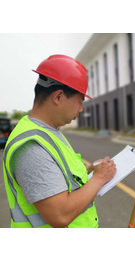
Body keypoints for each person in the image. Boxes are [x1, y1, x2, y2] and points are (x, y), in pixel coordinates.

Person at [3, 54, 117, 228]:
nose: (80, 110)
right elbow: (60, 215)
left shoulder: (47, 130)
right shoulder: (31, 146)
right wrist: (99, 178)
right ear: (58, 97)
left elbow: (59, 174)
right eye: (79, 102)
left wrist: (89, 170)